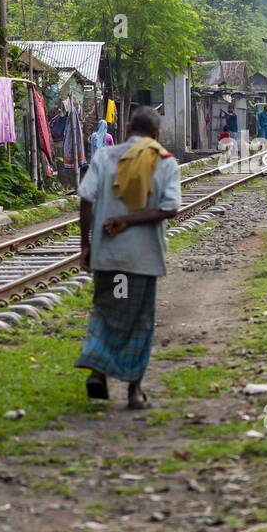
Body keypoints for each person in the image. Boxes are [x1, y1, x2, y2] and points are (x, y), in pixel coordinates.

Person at [75, 106, 182, 410]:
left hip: (109, 259)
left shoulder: (106, 157)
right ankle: (134, 392)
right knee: (139, 321)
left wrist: (86, 245)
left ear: (127, 129)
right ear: (157, 134)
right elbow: (170, 208)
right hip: (142, 261)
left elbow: (86, 200)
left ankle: (98, 371)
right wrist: (131, 221)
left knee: (107, 312)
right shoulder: (164, 161)